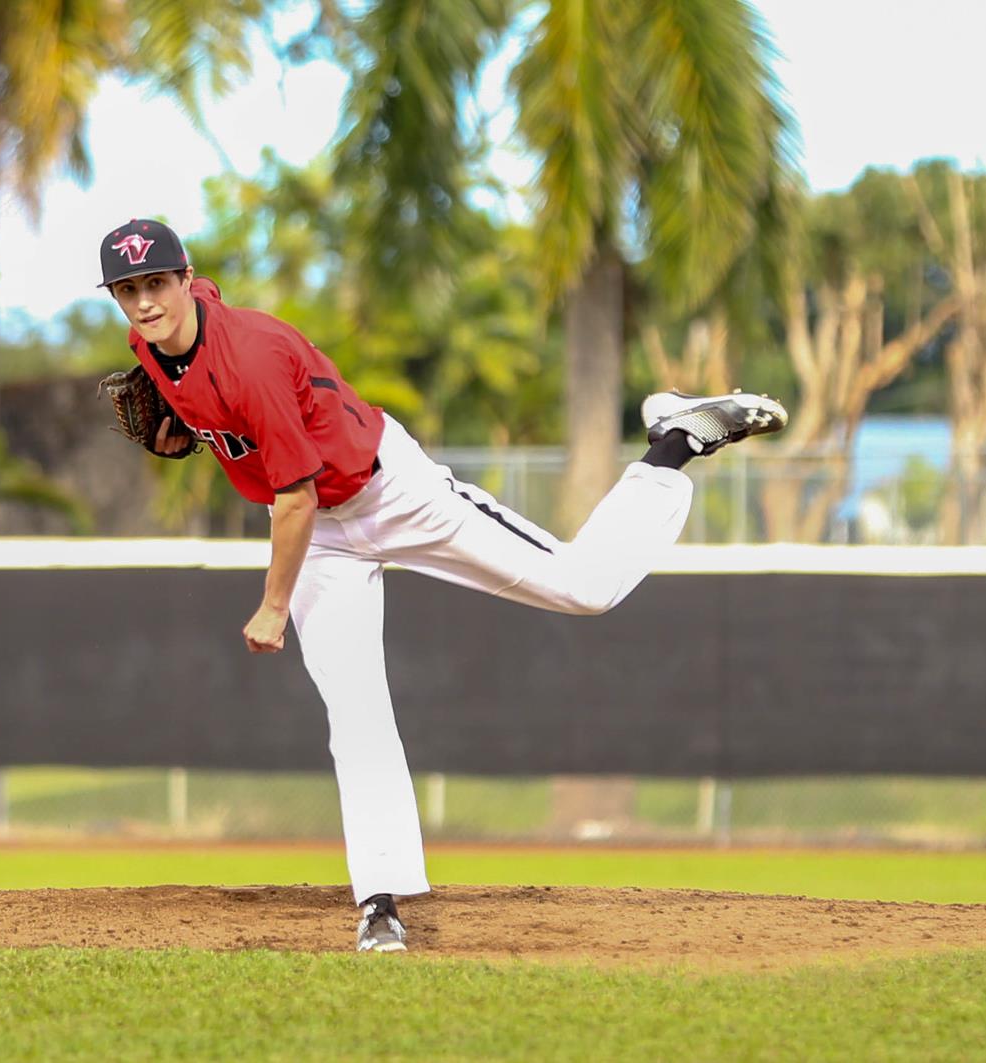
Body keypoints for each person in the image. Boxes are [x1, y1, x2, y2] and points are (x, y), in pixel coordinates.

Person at [96, 218, 786, 953]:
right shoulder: (150, 344)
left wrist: (273, 607)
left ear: (185, 277)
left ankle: (675, 440)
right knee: (354, 712)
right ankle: (380, 902)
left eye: (157, 282)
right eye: (128, 289)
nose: (145, 302)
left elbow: (294, 495)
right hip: (324, 538)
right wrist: (196, 421)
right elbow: (224, 402)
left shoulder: (253, 356)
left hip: (389, 492)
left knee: (584, 586)